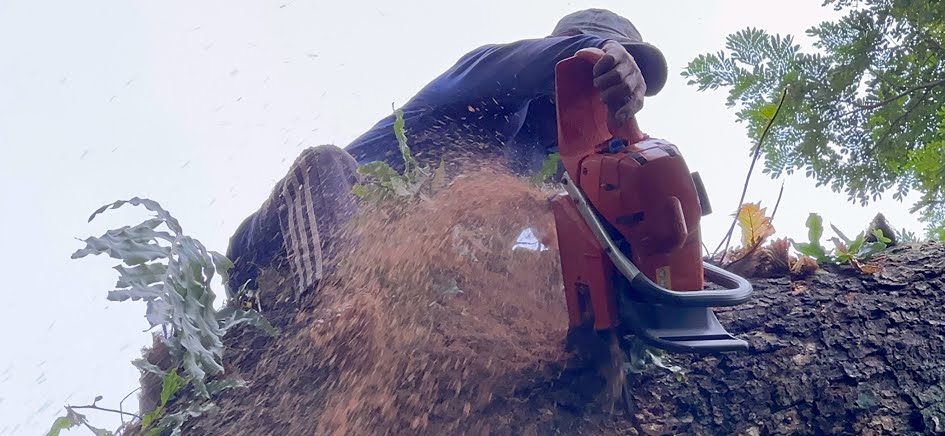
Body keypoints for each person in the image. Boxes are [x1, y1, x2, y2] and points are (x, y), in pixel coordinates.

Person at [224, 8, 668, 307]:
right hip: (284, 237)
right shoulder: (486, 80)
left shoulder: (553, 167)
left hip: (391, 283)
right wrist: (604, 56)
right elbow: (539, 62)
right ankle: (333, 314)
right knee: (326, 166)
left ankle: (354, 323)